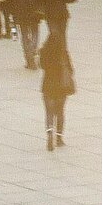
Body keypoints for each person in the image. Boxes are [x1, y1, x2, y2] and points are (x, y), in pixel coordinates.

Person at [39, 23, 74, 151]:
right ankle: (59, 138)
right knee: (60, 112)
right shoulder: (63, 53)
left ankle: (49, 134)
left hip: (48, 84)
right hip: (61, 86)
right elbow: (71, 69)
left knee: (49, 112)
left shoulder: (44, 51)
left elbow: (42, 66)